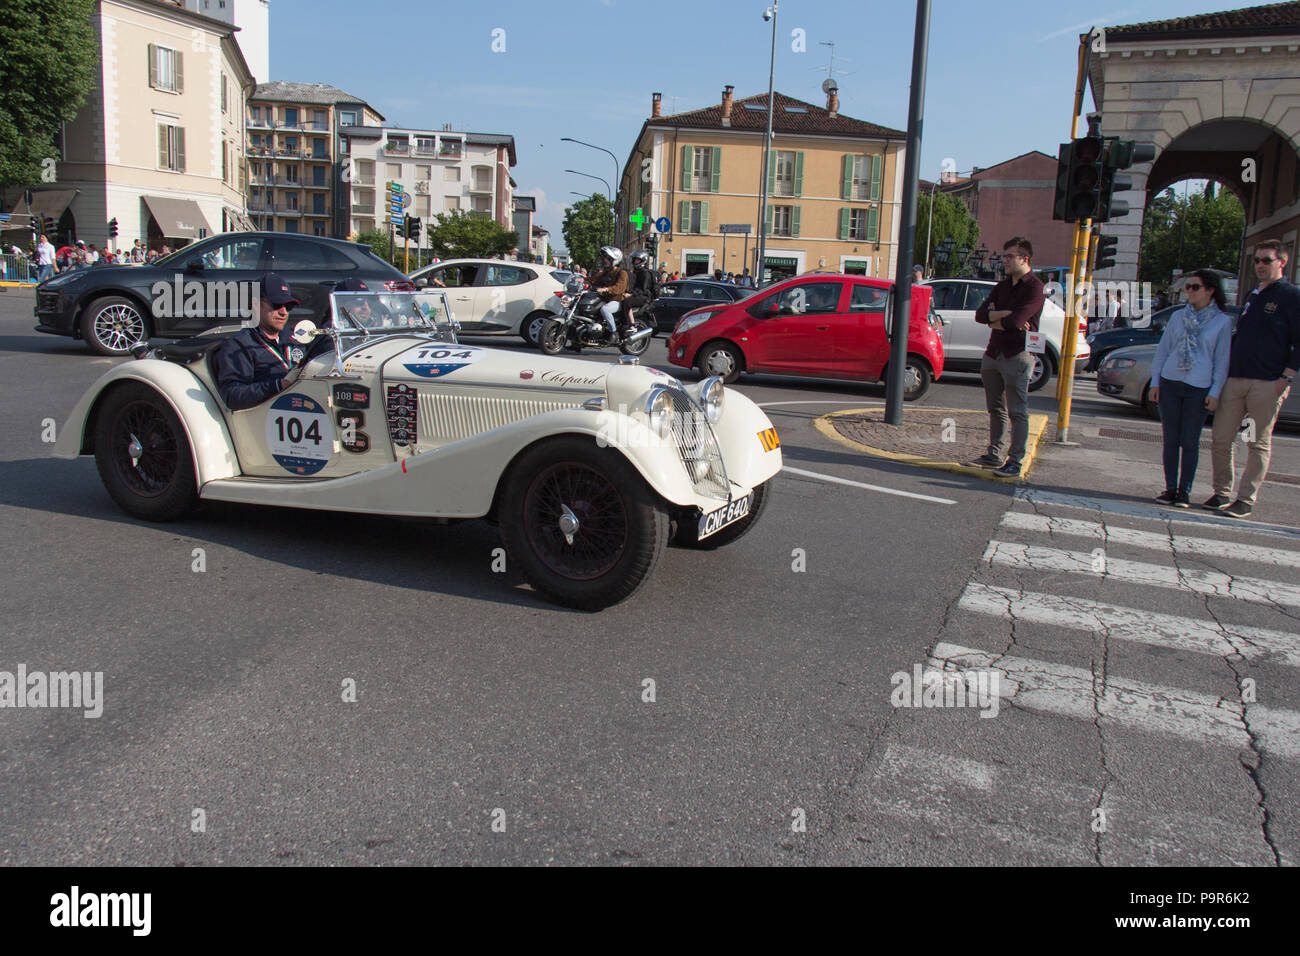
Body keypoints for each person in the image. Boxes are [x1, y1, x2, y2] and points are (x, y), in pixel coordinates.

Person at [1204, 239, 1300, 518]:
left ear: (1282, 262)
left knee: (1254, 441)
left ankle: (1245, 498)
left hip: (1266, 383)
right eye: (1256, 260)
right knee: (1221, 438)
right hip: (1236, 380)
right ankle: (1222, 492)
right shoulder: (1252, 295)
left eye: (1266, 260)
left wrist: (1286, 378)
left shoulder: (1291, 296)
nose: (1259, 265)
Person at [1149, 270, 1232, 507]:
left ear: (1210, 290)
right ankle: (1170, 489)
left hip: (1199, 386)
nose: (1190, 292)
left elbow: (1221, 360)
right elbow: (1163, 351)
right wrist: (1156, 382)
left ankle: (1185, 491)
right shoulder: (1177, 317)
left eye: (1195, 287)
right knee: (1171, 439)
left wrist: (1215, 392)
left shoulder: (1222, 322)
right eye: (1188, 287)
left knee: (1190, 440)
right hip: (1171, 381)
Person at [969, 237, 1045, 479]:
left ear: (1025, 258)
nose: (1005, 261)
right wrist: (1002, 315)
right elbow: (980, 315)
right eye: (1004, 257)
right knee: (995, 407)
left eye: (1010, 256)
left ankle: (1015, 460)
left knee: (1017, 410)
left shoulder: (1034, 287)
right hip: (993, 352)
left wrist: (997, 316)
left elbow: (1017, 321)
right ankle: (994, 453)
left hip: (1017, 354)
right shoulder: (1001, 286)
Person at [213, 273, 303, 411]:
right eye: (276, 304)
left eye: (288, 306)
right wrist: (278, 385)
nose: (284, 312)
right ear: (255, 304)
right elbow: (232, 396)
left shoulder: (296, 339)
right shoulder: (239, 345)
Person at [591, 245, 628, 339]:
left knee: (605, 309)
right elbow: (595, 280)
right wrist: (582, 280)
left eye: (608, 258)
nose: (605, 260)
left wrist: (606, 289)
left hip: (617, 300)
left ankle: (613, 332)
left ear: (614, 260)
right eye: (605, 258)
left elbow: (619, 288)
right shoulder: (606, 271)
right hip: (605, 298)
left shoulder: (622, 273)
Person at [622, 250, 656, 329]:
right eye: (634, 259)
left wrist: (631, 294)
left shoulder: (645, 273)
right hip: (637, 294)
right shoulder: (636, 271)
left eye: (637, 260)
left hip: (644, 297)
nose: (635, 261)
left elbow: (642, 289)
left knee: (627, 302)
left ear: (643, 260)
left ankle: (628, 325)